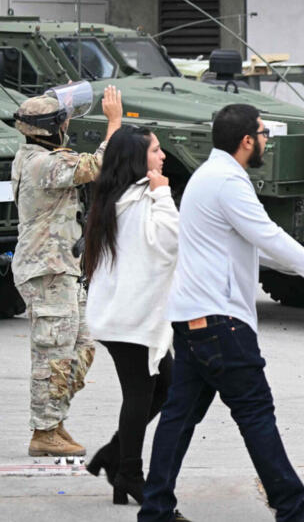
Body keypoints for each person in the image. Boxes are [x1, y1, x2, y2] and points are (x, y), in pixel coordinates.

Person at [138, 104, 304, 522]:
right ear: (246, 141)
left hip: (194, 319)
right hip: (220, 323)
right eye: (264, 134)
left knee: (179, 417)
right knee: (256, 413)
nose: (267, 141)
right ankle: (292, 510)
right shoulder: (227, 182)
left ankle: (156, 509)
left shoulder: (211, 175)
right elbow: (269, 235)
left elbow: (250, 242)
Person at [14, 84, 122, 457]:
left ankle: (55, 418)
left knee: (83, 345)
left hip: (61, 266)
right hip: (46, 270)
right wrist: (114, 124)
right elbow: (95, 167)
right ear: (51, 129)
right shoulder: (44, 162)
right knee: (52, 352)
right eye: (62, 121)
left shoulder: (41, 153)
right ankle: (44, 432)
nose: (67, 126)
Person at [82, 126, 179, 505]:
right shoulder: (140, 199)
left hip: (123, 316)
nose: (162, 156)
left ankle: (115, 457)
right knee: (141, 393)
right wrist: (163, 194)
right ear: (139, 159)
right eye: (156, 150)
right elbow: (171, 242)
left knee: (165, 389)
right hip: (131, 319)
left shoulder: (114, 196)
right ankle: (129, 472)